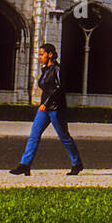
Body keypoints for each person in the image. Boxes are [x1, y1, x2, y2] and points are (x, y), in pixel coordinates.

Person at [11, 43, 84, 176]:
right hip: (44, 108)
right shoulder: (45, 69)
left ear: (50, 54)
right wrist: (43, 104)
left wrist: (46, 102)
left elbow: (58, 88)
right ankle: (24, 165)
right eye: (39, 54)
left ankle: (77, 163)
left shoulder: (57, 69)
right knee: (34, 135)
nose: (39, 57)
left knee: (64, 137)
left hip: (56, 108)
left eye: (41, 54)